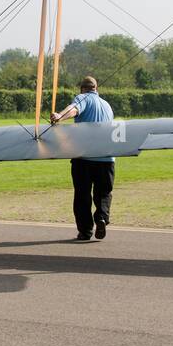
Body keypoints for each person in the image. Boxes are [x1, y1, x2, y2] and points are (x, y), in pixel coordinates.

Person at [52, 76, 115, 241]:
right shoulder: (107, 105)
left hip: (84, 157)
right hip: (107, 158)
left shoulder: (83, 98)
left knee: (82, 195)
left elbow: (74, 109)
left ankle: (86, 231)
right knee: (103, 193)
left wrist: (59, 116)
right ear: (96, 88)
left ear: (82, 89)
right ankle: (101, 217)